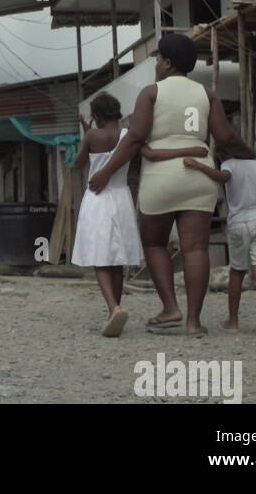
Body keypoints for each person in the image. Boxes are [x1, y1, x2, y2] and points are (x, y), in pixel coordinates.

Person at [88, 33, 256, 337]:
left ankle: (170, 308)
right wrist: (255, 157)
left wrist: (106, 172)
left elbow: (136, 138)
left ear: (167, 63)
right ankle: (193, 322)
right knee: (196, 248)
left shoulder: (150, 93)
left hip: (161, 177)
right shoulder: (208, 95)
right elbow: (227, 138)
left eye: (157, 59)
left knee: (154, 242)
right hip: (200, 175)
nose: (155, 64)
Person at [181, 151, 256, 336]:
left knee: (237, 272)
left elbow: (223, 177)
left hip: (238, 223)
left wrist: (199, 166)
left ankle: (233, 321)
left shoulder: (229, 164)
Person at [71, 92, 144, 338]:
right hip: (122, 196)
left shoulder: (92, 135)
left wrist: (85, 134)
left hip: (97, 197)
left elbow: (79, 164)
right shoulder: (127, 135)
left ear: (98, 116)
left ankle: (113, 307)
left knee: (100, 257)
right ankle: (115, 307)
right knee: (117, 258)